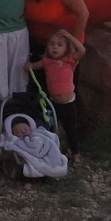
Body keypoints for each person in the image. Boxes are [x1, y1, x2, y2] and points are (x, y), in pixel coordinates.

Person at [28, 28, 86, 160]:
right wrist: (28, 65)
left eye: (59, 45)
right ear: (47, 46)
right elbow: (33, 66)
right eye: (52, 44)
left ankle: (76, 153)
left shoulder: (69, 60)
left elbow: (82, 50)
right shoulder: (46, 62)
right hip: (53, 103)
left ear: (66, 48)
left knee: (70, 130)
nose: (55, 47)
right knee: (52, 129)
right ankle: (53, 151)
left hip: (69, 103)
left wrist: (69, 36)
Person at [0, 113, 68, 179]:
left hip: (42, 151)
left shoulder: (38, 135)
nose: (23, 132)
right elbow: (10, 146)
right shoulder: (15, 142)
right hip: (29, 158)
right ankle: (39, 167)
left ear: (31, 128)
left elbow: (49, 141)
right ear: (12, 133)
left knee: (51, 152)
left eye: (25, 129)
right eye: (18, 132)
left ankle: (51, 163)